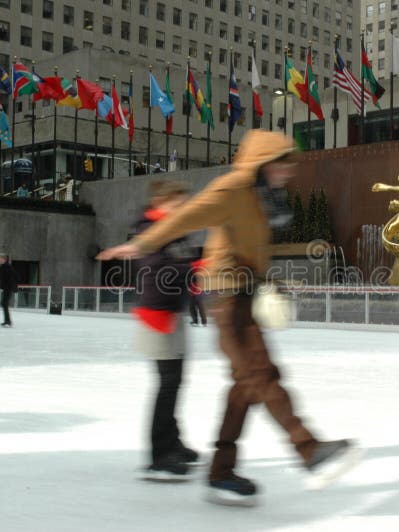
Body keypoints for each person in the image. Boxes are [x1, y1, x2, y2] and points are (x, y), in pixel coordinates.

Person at [96, 130, 360, 506]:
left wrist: (270, 284)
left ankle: (221, 471)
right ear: (264, 162)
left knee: (244, 387)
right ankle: (309, 450)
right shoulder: (234, 188)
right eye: (284, 162)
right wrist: (139, 244)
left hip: (245, 292)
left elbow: (251, 249)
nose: (289, 170)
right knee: (261, 375)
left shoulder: (263, 196)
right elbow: (188, 216)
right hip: (226, 296)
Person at [132, 180, 199, 481]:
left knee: (175, 382)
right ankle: (160, 455)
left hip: (172, 313)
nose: (182, 209)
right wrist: (198, 268)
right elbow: (161, 269)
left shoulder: (175, 229)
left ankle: (173, 442)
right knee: (168, 384)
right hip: (156, 315)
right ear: (161, 201)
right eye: (178, 203)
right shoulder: (148, 229)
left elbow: (183, 264)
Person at [0, 253, 18, 327]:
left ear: (3, 259)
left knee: (4, 303)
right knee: (4, 303)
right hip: (6, 288)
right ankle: (7, 321)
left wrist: (13, 286)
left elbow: (15, 276)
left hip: (8, 288)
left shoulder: (8, 266)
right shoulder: (2, 267)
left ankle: (8, 321)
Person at [188, 258, 207, 326]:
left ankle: (198, 321)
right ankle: (200, 321)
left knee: (195, 307)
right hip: (195, 292)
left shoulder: (194, 271)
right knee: (196, 307)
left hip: (195, 292)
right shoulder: (194, 270)